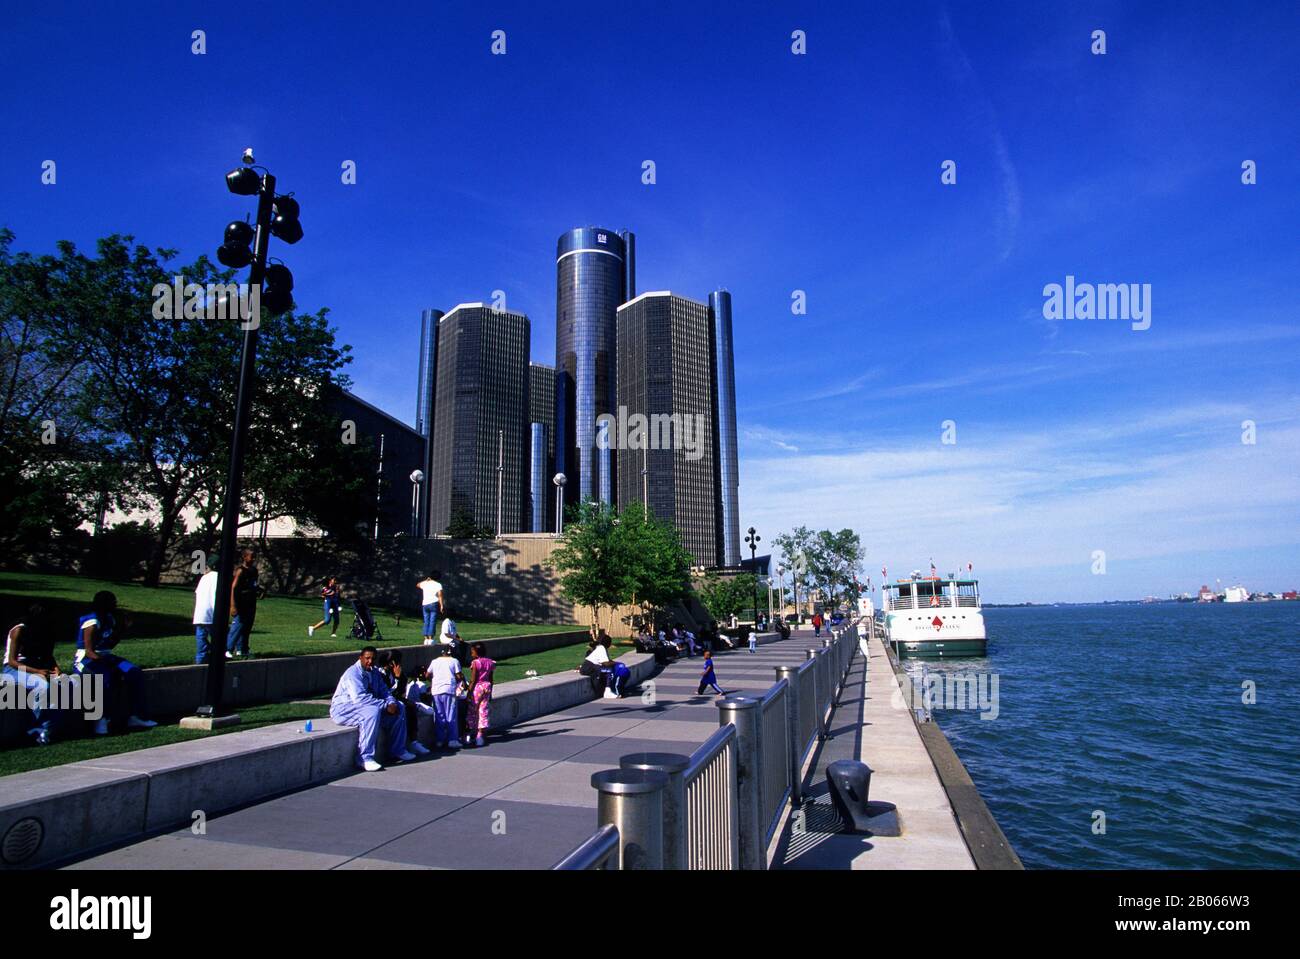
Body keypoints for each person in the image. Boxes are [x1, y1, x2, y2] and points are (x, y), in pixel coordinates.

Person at [73, 591, 155, 735]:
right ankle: (101, 719)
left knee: (134, 672)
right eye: (112, 602)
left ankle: (136, 716)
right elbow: (89, 651)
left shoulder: (110, 618)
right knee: (105, 680)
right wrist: (108, 665)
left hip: (105, 656)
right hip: (86, 659)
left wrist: (123, 628)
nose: (115, 604)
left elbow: (109, 644)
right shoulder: (92, 622)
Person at [330, 647, 415, 771]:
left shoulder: (374, 672)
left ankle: (398, 750)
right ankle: (364, 758)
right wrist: (385, 706)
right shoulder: (353, 673)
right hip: (343, 709)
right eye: (367, 658)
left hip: (364, 707)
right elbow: (360, 699)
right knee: (372, 712)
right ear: (360, 658)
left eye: (373, 659)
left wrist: (391, 702)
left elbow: (384, 691)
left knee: (400, 707)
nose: (370, 661)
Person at [3, 605, 63, 744]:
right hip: (14, 670)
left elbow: (48, 656)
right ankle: (37, 728)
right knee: (42, 686)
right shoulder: (19, 630)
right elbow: (12, 661)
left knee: (64, 683)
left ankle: (51, 727)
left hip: (36, 666)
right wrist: (37, 672)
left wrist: (56, 669)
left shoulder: (46, 631)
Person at [378, 650, 431, 756]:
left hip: (394, 701)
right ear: (391, 662)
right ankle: (400, 749)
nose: (399, 664)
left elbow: (400, 692)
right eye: (397, 661)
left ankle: (413, 742)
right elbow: (387, 693)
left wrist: (400, 677)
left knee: (410, 708)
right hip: (382, 703)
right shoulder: (380, 674)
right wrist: (397, 678)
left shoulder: (394, 673)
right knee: (404, 709)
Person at [425, 644, 464, 749]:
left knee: (439, 716)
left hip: (436, 690)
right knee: (451, 715)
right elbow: (459, 676)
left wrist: (434, 681)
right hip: (449, 690)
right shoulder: (454, 661)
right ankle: (452, 739)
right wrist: (459, 681)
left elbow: (427, 675)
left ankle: (440, 740)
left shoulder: (434, 661)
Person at [226, 548, 261, 658]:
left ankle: (242, 649)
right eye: (251, 556)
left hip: (251, 602)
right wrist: (233, 605)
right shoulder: (240, 571)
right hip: (241, 603)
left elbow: (253, 585)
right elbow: (233, 587)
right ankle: (228, 649)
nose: (253, 559)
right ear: (245, 557)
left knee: (247, 627)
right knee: (238, 626)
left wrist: (259, 592)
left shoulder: (254, 571)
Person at [464, 643, 495, 747]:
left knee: (472, 711)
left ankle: (469, 734)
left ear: (477, 652)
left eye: (472, 651)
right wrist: (491, 693)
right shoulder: (490, 662)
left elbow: (473, 680)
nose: (471, 653)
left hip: (477, 688)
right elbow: (491, 679)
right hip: (487, 687)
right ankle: (480, 736)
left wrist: (468, 692)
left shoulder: (475, 663)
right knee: (483, 711)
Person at [193, 567, 219, 664]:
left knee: (201, 636)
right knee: (217, 637)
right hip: (212, 612)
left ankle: (201, 658)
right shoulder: (218, 577)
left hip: (199, 612)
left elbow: (197, 592)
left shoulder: (204, 577)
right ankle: (217, 656)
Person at [417, 570, 444, 644]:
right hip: (434, 604)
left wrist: (426, 580)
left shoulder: (425, 583)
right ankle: (431, 639)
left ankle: (425, 639)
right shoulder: (438, 584)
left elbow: (418, 585)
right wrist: (441, 605)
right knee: (432, 621)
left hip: (425, 604)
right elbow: (440, 596)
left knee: (426, 621)